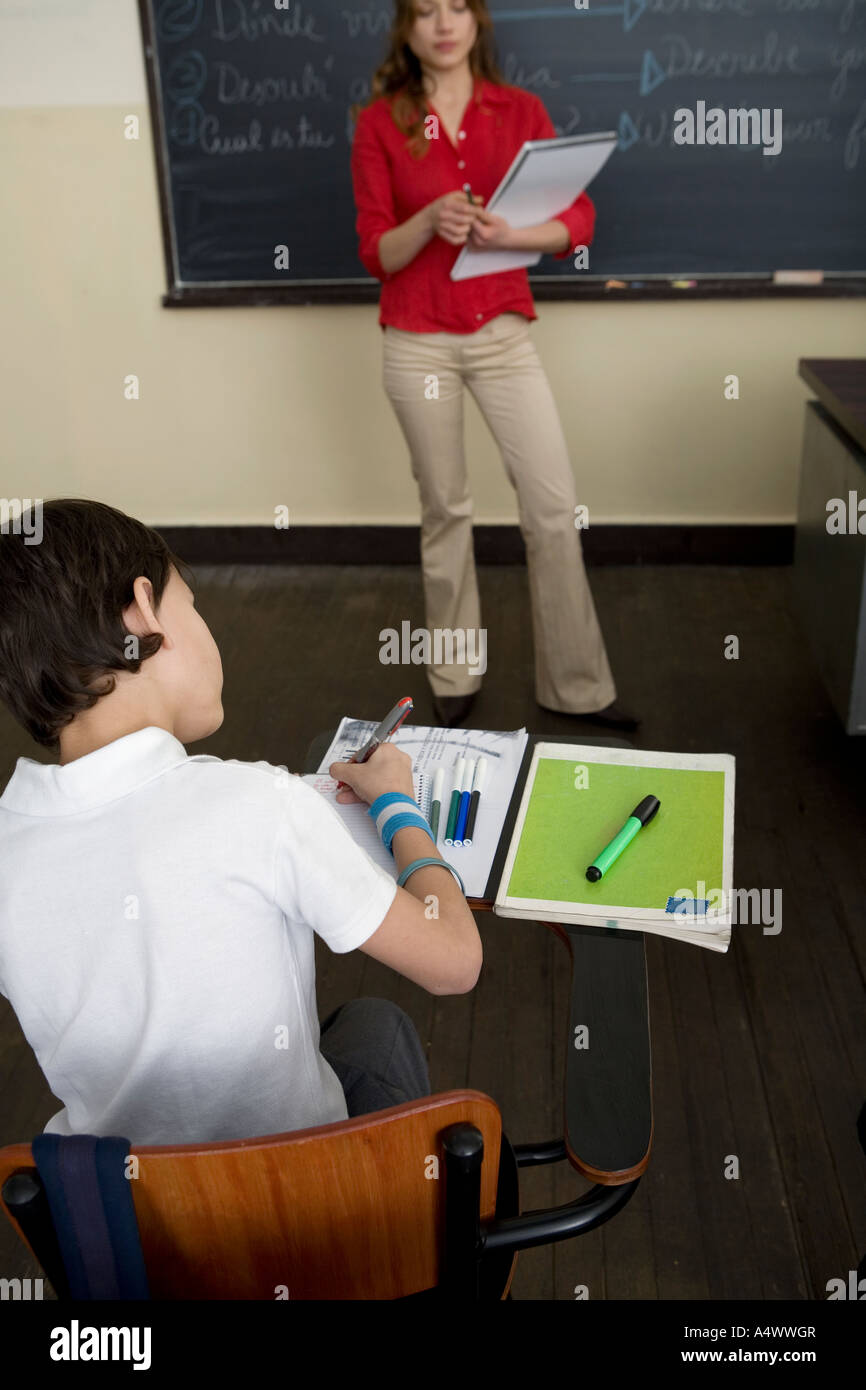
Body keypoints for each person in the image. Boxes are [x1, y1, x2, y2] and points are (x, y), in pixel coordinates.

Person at [0, 499, 480, 1145]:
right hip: (304, 1208)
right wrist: (398, 807)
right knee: (377, 1027)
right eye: (191, 603)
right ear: (143, 610)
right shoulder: (262, 804)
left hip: (133, 1230)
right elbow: (455, 962)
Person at [351, 0, 637, 729]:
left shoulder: (520, 111)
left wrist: (515, 232)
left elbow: (579, 220)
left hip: (503, 330)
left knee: (551, 506)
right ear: (406, 30)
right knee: (446, 508)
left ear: (476, 21)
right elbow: (377, 251)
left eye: (457, 7)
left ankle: (577, 687)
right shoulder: (382, 122)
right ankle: (454, 675)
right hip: (416, 339)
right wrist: (428, 220)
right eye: (424, 10)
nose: (442, 23)